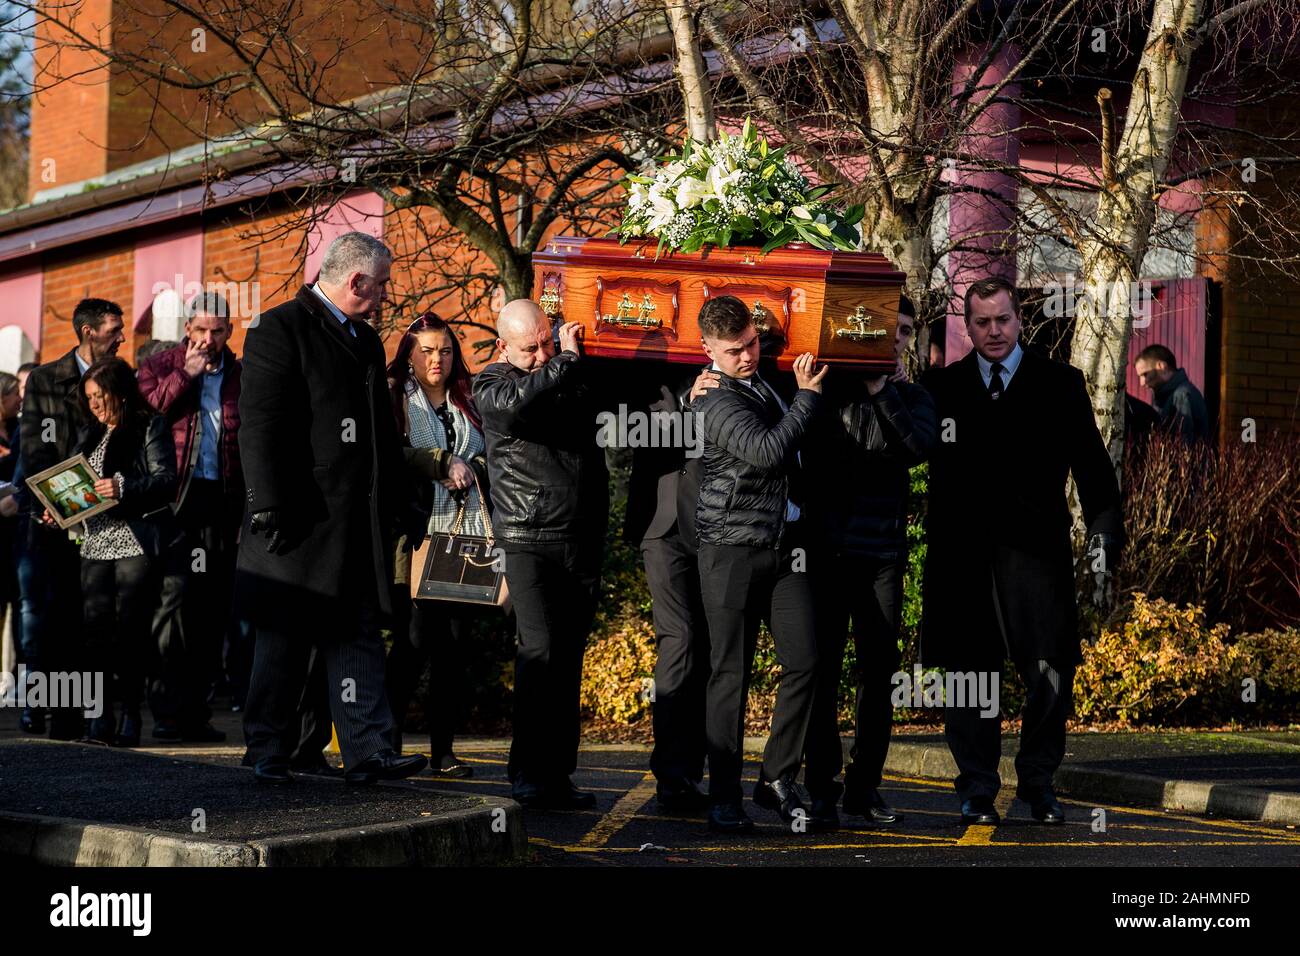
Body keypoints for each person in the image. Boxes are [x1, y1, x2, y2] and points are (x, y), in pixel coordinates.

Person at [920, 276, 1123, 826]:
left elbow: (1096, 476)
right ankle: (977, 790)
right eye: (982, 322)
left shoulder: (1060, 384)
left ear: (1020, 320)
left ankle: (1039, 783)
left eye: (1002, 320)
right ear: (966, 326)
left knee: (1050, 677)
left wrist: (1104, 541)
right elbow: (892, 452)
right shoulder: (940, 390)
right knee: (969, 680)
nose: (993, 331)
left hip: (1038, 561)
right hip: (964, 565)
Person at [236, 231, 427, 785]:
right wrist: (267, 504)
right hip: (296, 521)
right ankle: (268, 748)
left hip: (353, 523)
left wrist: (403, 503)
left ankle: (367, 751)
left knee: (357, 634)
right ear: (356, 282)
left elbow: (380, 438)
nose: (387, 295)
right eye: (383, 285)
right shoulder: (280, 327)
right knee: (285, 637)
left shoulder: (365, 342)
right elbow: (261, 423)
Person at [689, 295, 826, 834]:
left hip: (780, 546)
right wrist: (809, 397)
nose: (748, 355)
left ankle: (775, 776)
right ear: (708, 350)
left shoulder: (760, 379)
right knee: (729, 675)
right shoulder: (713, 400)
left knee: (806, 660)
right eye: (734, 350)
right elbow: (768, 450)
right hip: (729, 550)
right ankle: (723, 798)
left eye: (751, 343)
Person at [801, 296, 937, 832]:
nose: (897, 340)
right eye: (889, 330)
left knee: (878, 674)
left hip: (881, 553)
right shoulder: (825, 390)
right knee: (822, 671)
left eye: (905, 332)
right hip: (827, 552)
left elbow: (916, 447)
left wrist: (883, 392)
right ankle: (820, 789)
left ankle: (864, 788)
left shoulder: (912, 395)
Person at [472, 300, 608, 810]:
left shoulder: (560, 371)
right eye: (530, 348)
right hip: (527, 538)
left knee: (568, 657)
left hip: (578, 534)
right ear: (503, 344)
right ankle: (527, 773)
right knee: (540, 652)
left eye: (548, 341)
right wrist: (565, 362)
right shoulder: (494, 384)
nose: (542, 353)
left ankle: (558, 774)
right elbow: (519, 405)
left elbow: (609, 405)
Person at [39, 357, 177, 746]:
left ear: (120, 392)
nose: (95, 404)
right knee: (95, 632)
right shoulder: (89, 433)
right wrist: (59, 511)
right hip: (95, 541)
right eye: (89, 398)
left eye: (100, 396)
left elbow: (166, 480)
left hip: (133, 538)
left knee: (131, 629)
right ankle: (98, 718)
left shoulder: (150, 424)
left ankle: (130, 716)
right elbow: (76, 486)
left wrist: (122, 486)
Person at [384, 313, 489, 777]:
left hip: (466, 537)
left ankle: (444, 752)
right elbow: (388, 456)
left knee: (453, 648)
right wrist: (441, 462)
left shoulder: (467, 397)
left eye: (444, 350)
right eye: (426, 350)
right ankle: (385, 745)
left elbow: (490, 451)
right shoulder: (394, 397)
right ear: (410, 353)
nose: (437, 359)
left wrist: (472, 467)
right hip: (416, 535)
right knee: (412, 643)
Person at [136, 291, 244, 742]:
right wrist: (188, 373)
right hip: (174, 502)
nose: (209, 339)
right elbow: (149, 410)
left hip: (221, 502)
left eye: (218, 331)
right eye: (201, 330)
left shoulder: (242, 375)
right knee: (175, 604)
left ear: (229, 332)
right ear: (186, 330)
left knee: (212, 610)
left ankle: (197, 712)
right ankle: (167, 712)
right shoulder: (161, 366)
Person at [19, 298, 125, 738]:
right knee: (53, 617)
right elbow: (34, 447)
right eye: (113, 329)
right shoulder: (46, 379)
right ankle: (52, 715)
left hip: (105, 521)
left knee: (95, 619)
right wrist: (50, 501)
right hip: (54, 520)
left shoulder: (120, 377)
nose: (121, 336)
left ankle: (92, 715)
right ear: (87, 332)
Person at [1133, 344, 1209, 444]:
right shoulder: (1167, 396)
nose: (1142, 383)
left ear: (1161, 366)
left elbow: (1183, 445)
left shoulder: (1182, 395)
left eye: (1145, 374)